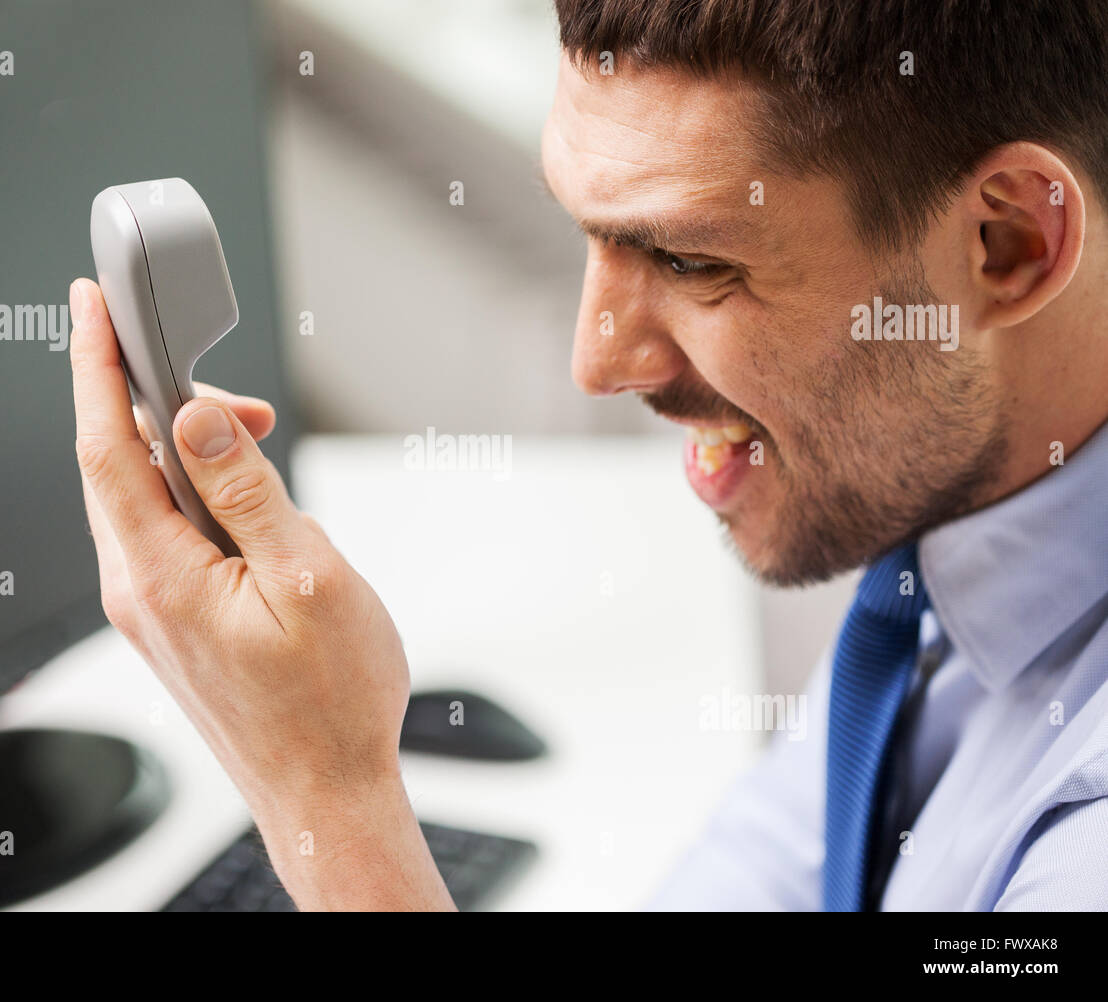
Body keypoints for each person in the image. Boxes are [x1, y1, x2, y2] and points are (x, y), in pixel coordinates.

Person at [67, 0, 1108, 910]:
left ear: (1006, 243)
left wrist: (326, 806)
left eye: (691, 260)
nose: (594, 361)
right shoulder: (954, 514)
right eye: (593, 235)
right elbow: (767, 872)